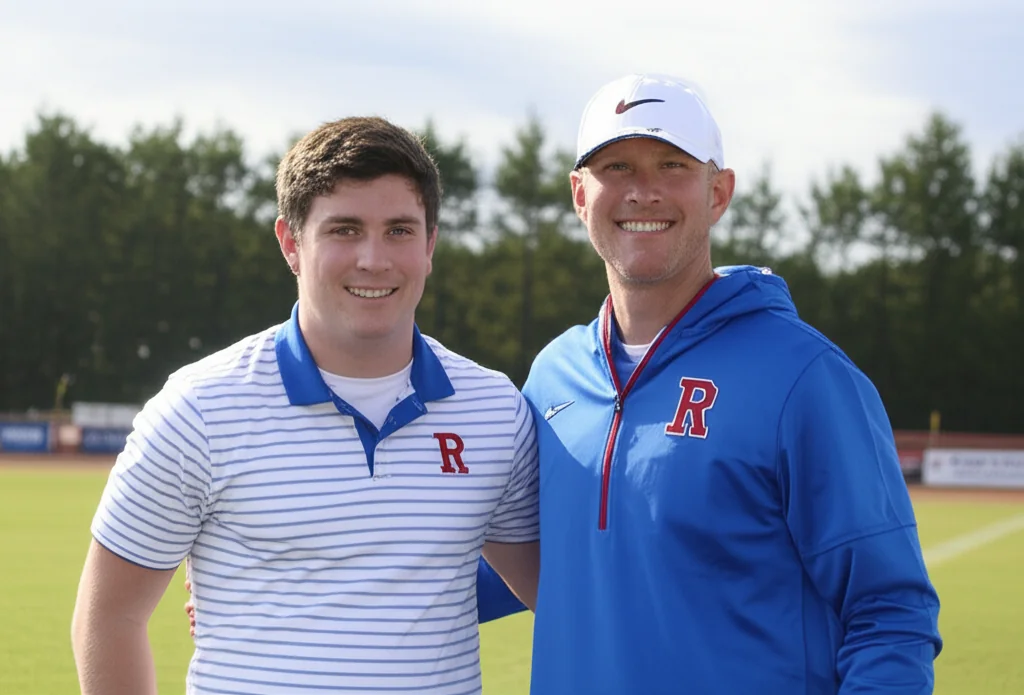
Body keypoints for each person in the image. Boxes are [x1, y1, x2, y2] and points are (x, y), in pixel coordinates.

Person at [71, 116, 540, 695]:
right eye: (344, 230)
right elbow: (109, 616)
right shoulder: (199, 409)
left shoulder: (495, 410)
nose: (374, 258)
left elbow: (555, 587)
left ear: (430, 245)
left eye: (399, 230)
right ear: (291, 243)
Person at [521, 74, 943, 694]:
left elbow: (890, 613)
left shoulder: (804, 376)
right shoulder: (551, 374)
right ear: (580, 195)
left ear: (719, 193)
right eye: (616, 167)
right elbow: (490, 562)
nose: (643, 191)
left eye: (672, 165)